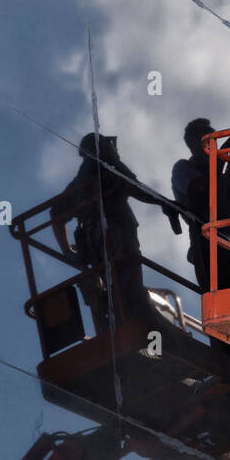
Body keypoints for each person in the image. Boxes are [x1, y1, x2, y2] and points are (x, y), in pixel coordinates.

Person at [51, 133, 181, 330]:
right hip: (118, 234)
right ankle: (147, 329)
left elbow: (56, 213)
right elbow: (136, 188)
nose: (115, 148)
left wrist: (68, 251)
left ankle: (123, 324)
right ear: (101, 147)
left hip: (95, 240)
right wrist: (164, 203)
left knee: (117, 289)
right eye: (109, 144)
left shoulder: (79, 181)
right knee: (129, 287)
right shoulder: (108, 164)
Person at [171, 118, 230, 294]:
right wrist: (223, 155)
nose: (212, 143)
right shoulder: (183, 168)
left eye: (214, 138)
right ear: (193, 143)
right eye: (207, 139)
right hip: (206, 246)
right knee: (222, 300)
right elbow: (203, 191)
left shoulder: (224, 171)